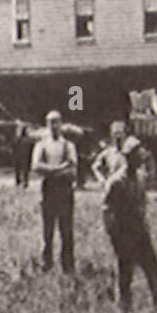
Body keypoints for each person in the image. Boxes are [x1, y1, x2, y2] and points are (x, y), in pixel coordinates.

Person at [101, 136, 157, 313]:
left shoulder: (140, 177)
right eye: (138, 155)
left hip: (140, 231)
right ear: (129, 157)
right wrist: (114, 236)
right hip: (123, 233)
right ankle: (124, 312)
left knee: (154, 270)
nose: (141, 158)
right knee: (124, 273)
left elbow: (143, 201)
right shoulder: (116, 182)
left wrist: (143, 222)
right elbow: (107, 210)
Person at [30, 111, 78, 273]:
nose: (54, 126)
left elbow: (72, 171)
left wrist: (49, 170)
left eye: (57, 122)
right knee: (47, 230)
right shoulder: (41, 145)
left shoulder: (69, 146)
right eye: (51, 123)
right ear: (47, 125)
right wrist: (58, 168)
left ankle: (68, 266)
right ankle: (47, 264)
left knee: (66, 231)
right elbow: (36, 166)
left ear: (61, 124)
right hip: (48, 190)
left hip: (65, 191)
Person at [88, 120, 129, 187]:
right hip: (111, 187)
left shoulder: (132, 151)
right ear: (111, 135)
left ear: (125, 135)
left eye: (120, 133)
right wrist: (101, 179)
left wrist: (112, 179)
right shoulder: (108, 152)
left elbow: (125, 167)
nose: (118, 137)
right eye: (115, 134)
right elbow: (95, 167)